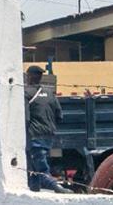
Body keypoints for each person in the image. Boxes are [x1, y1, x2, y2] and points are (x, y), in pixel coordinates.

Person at [24, 65, 70, 194]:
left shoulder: (26, 93)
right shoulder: (50, 93)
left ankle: (55, 187)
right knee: (34, 168)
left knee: (40, 166)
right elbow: (59, 116)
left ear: (29, 76)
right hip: (48, 135)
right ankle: (34, 191)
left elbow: (26, 118)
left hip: (34, 135)